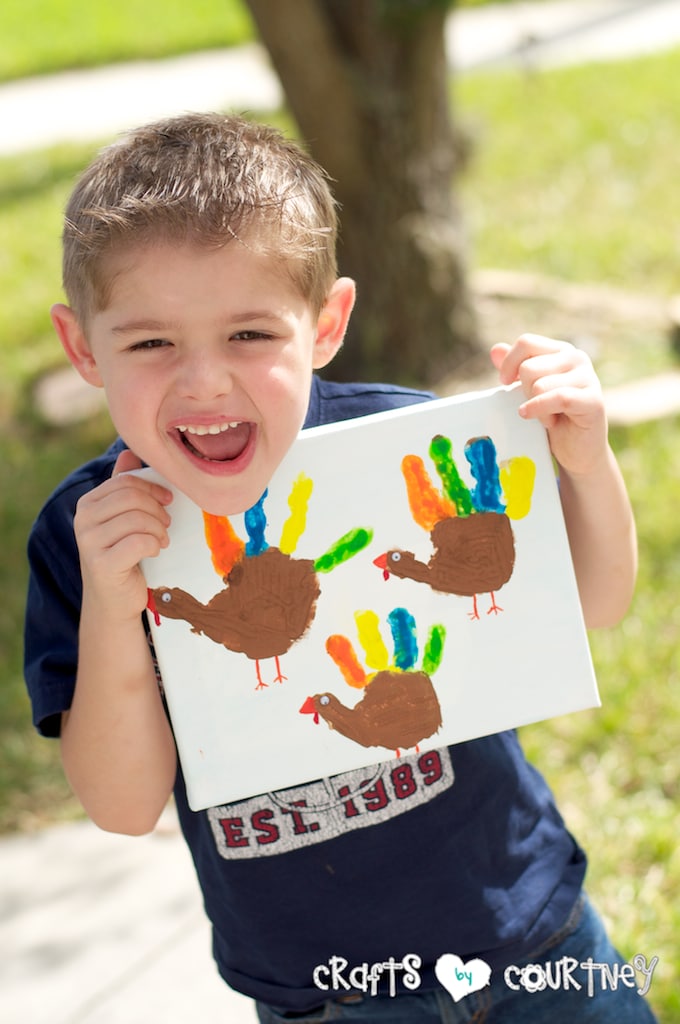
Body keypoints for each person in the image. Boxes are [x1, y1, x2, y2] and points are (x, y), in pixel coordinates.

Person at [24, 113, 655, 1023]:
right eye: (151, 343)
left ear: (325, 325)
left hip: (529, 941)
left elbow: (597, 604)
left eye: (249, 334)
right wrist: (115, 612)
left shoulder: (399, 448)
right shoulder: (86, 536)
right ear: (84, 347)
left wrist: (585, 465)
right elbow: (122, 805)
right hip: (323, 998)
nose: (204, 382)